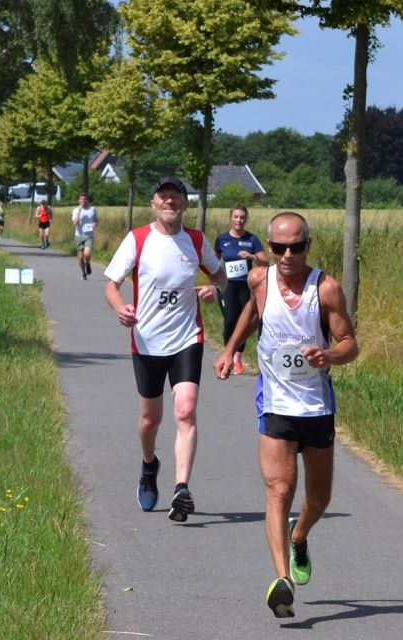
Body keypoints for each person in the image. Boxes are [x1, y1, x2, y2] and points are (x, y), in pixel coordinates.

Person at [214, 212, 358, 619]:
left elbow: (350, 342)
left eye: (296, 247)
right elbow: (253, 313)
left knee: (319, 498)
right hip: (275, 404)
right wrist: (231, 349)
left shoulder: (326, 289)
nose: (288, 255)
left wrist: (328, 354)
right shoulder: (259, 280)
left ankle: (299, 535)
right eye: (279, 248)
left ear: (308, 245)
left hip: (316, 405)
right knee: (279, 489)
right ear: (270, 248)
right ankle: (282, 581)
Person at [104, 176, 227, 521]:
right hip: (147, 341)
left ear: (185, 204)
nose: (170, 201)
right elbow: (111, 285)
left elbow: (220, 277)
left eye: (176, 196)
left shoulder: (196, 240)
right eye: (164, 196)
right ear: (154, 203)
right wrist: (120, 308)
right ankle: (149, 465)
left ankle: (181, 489)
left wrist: (214, 291)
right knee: (150, 419)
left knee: (185, 410)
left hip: (187, 338)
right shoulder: (138, 239)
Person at [213, 204, 267, 374]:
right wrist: (214, 280)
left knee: (242, 322)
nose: (239, 220)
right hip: (227, 285)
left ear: (246, 219)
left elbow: (265, 262)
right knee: (230, 320)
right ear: (231, 218)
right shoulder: (222, 239)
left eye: (242, 217)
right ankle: (227, 354)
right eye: (236, 217)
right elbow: (213, 262)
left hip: (246, 286)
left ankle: (237, 359)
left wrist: (252, 256)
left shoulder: (252, 239)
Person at [72, 193, 99, 280]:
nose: (83, 201)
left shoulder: (92, 209)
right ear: (79, 200)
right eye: (81, 199)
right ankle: (83, 273)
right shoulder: (75, 210)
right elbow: (75, 223)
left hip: (89, 235)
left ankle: (87, 263)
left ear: (87, 200)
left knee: (87, 254)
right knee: (80, 258)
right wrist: (79, 212)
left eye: (85, 199)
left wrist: (95, 224)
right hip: (79, 235)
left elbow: (96, 220)